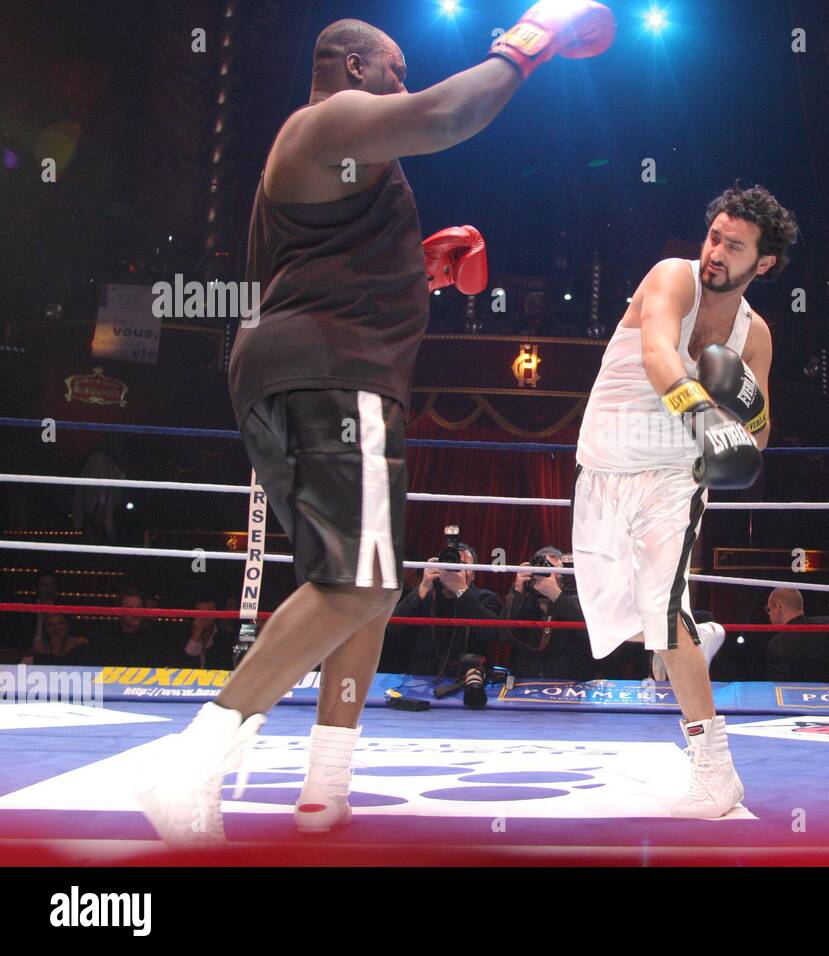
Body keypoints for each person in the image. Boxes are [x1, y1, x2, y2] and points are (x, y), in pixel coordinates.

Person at [135, 5, 617, 846]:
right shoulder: (332, 120)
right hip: (330, 375)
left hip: (315, 372)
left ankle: (327, 782)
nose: (402, 85)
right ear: (355, 69)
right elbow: (449, 113)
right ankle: (191, 758)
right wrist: (529, 39)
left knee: (364, 580)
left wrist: (416, 268)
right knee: (361, 584)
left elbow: (318, 266)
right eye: (393, 70)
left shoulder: (337, 157)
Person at [572, 183, 798, 817]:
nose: (716, 252)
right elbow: (655, 354)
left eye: (735, 245)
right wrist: (707, 415)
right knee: (623, 618)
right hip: (602, 463)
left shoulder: (756, 337)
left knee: (665, 614)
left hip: (674, 477)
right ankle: (701, 638)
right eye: (714, 236)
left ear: (765, 263)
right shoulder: (673, 277)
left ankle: (714, 771)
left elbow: (761, 434)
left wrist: (743, 413)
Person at [391, 542, 502, 678]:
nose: (453, 570)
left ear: (473, 574)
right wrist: (424, 586)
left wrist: (461, 590)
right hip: (423, 679)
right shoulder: (426, 597)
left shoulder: (486, 598)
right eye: (449, 564)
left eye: (462, 566)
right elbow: (393, 631)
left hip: (469, 679)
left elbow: (490, 634)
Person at [500, 547, 594, 680]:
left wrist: (556, 596)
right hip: (525, 682)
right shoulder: (523, 602)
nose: (545, 577)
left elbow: (591, 635)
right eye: (541, 572)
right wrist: (517, 591)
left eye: (551, 571)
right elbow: (503, 637)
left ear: (562, 576)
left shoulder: (577, 601)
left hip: (570, 683)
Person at [764, 588, 829, 683]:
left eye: (768, 609)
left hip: (796, 696)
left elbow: (779, 685)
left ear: (778, 607)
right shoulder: (827, 626)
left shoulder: (777, 644)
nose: (769, 614)